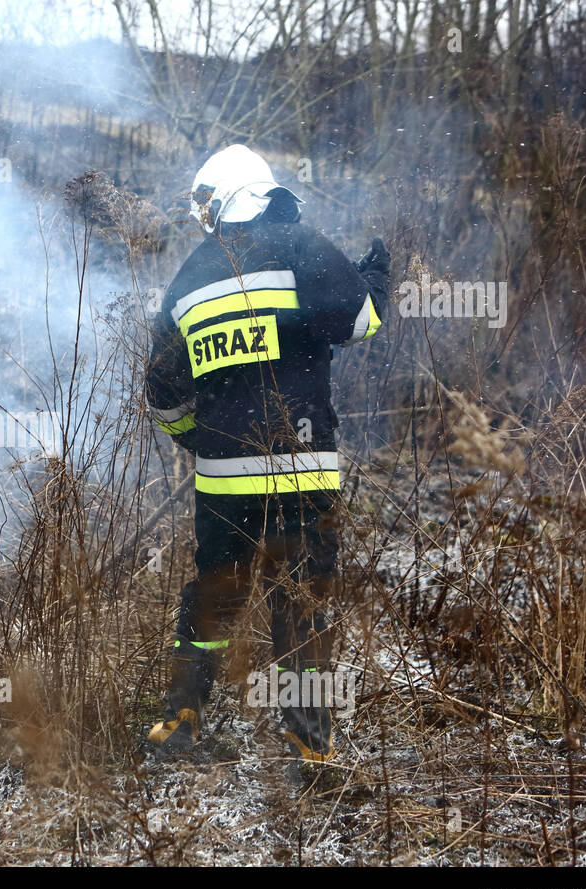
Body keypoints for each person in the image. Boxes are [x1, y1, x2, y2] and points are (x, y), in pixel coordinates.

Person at [144, 145, 389, 779]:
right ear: (265, 192)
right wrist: (376, 279)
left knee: (215, 593)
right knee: (301, 598)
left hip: (223, 477)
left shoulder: (187, 279)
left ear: (215, 207)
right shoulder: (300, 245)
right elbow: (360, 323)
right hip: (303, 468)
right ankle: (308, 742)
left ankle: (182, 717)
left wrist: (205, 440)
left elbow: (163, 394)